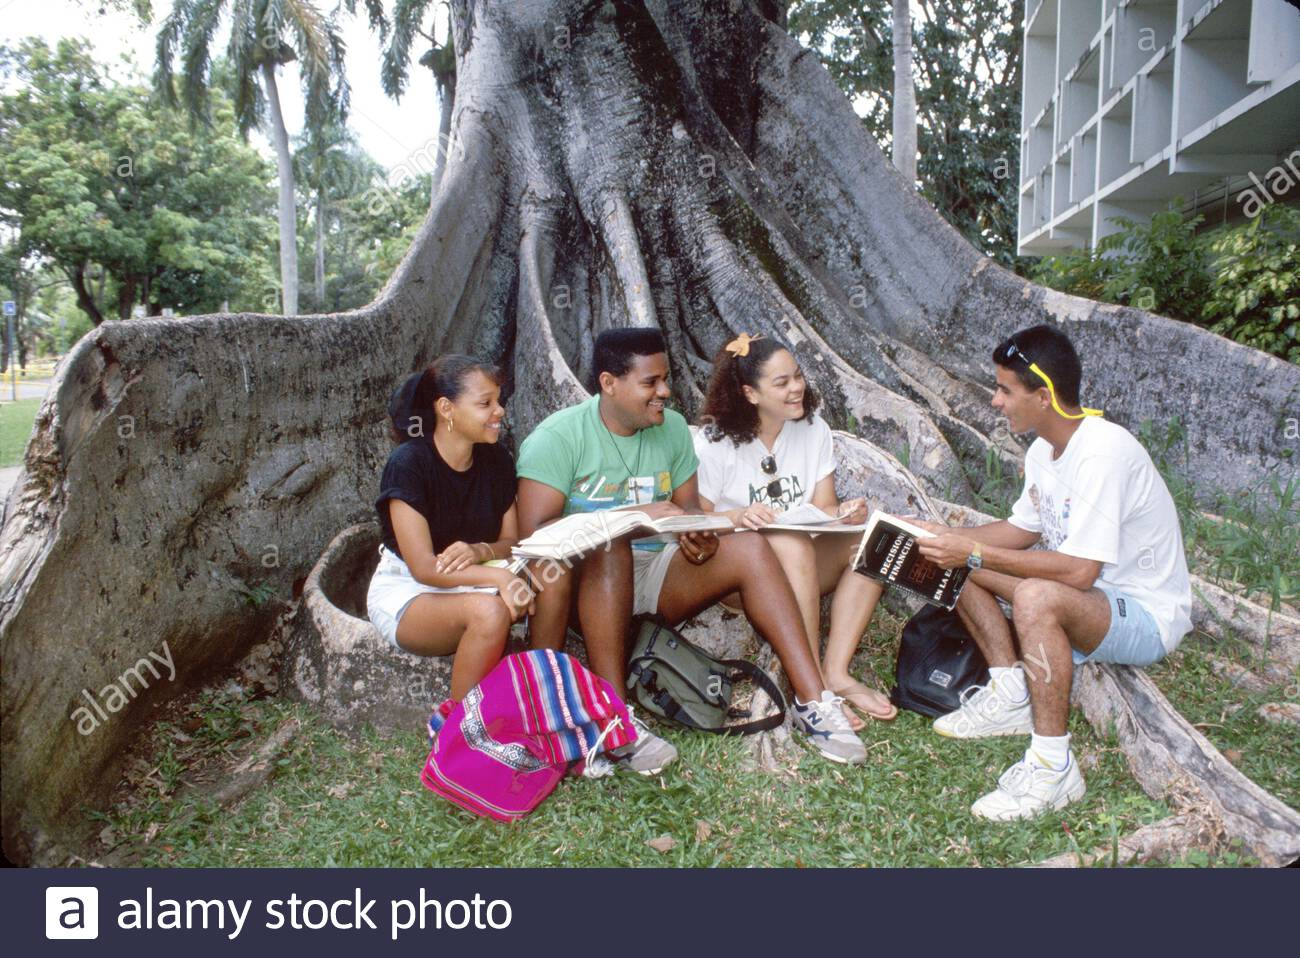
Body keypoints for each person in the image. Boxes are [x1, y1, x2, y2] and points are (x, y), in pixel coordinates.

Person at [515, 328, 867, 773]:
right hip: (588, 584)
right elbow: (535, 536)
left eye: (665, 379)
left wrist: (699, 543)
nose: (664, 391)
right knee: (610, 547)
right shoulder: (558, 437)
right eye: (650, 382)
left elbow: (688, 516)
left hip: (658, 572)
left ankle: (813, 701)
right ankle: (613, 720)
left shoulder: (674, 429)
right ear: (609, 384)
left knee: (749, 547)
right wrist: (631, 515)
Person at [914, 324, 1192, 821]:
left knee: (1033, 595)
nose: (996, 401)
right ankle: (1009, 692)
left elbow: (1081, 571)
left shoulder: (1104, 450)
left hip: (1144, 614)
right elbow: (1021, 530)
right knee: (962, 566)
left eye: (1004, 389)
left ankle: (1053, 765)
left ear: (1043, 397)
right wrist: (938, 536)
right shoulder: (1043, 450)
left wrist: (973, 550)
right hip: (1091, 599)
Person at [693, 333, 896, 729]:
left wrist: (845, 514)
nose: (796, 388)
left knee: (874, 540)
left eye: (798, 377)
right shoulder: (714, 443)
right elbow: (696, 521)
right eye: (782, 383)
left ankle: (836, 672)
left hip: (800, 563)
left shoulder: (812, 428)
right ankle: (813, 687)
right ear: (750, 393)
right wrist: (738, 518)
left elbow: (822, 508)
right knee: (791, 543)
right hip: (744, 578)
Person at [366, 355, 535, 701]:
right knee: (489, 612)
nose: (499, 411)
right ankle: (460, 730)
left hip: (473, 578)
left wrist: (479, 551)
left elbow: (510, 541)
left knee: (550, 577)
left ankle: (539, 693)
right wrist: (500, 578)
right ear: (446, 409)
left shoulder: (496, 460)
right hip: (409, 589)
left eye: (498, 400)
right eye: (485, 403)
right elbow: (425, 568)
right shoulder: (409, 464)